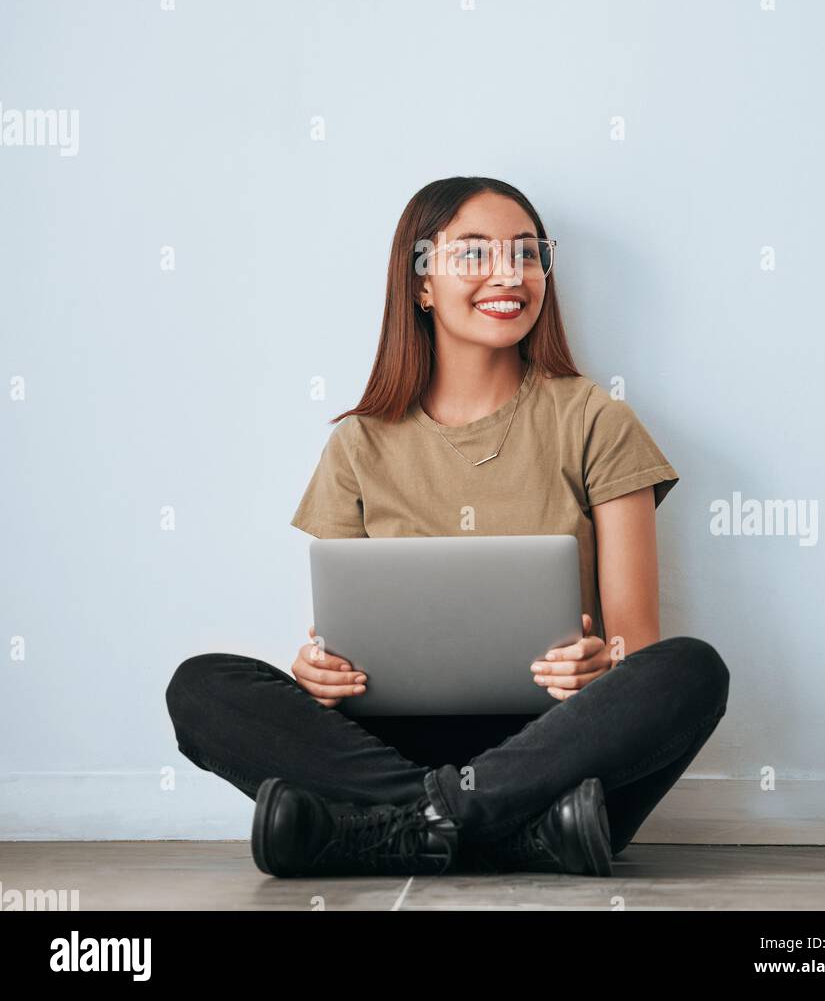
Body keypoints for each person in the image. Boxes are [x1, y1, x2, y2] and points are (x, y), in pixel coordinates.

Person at [165, 175, 730, 878]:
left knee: (689, 672)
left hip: (550, 744)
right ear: (422, 283)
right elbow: (349, 635)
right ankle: (508, 834)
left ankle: (382, 831)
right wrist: (319, 673)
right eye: (474, 254)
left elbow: (635, 648)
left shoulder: (595, 420)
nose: (508, 274)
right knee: (201, 685)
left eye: (527, 254)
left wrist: (600, 662)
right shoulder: (357, 445)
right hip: (393, 745)